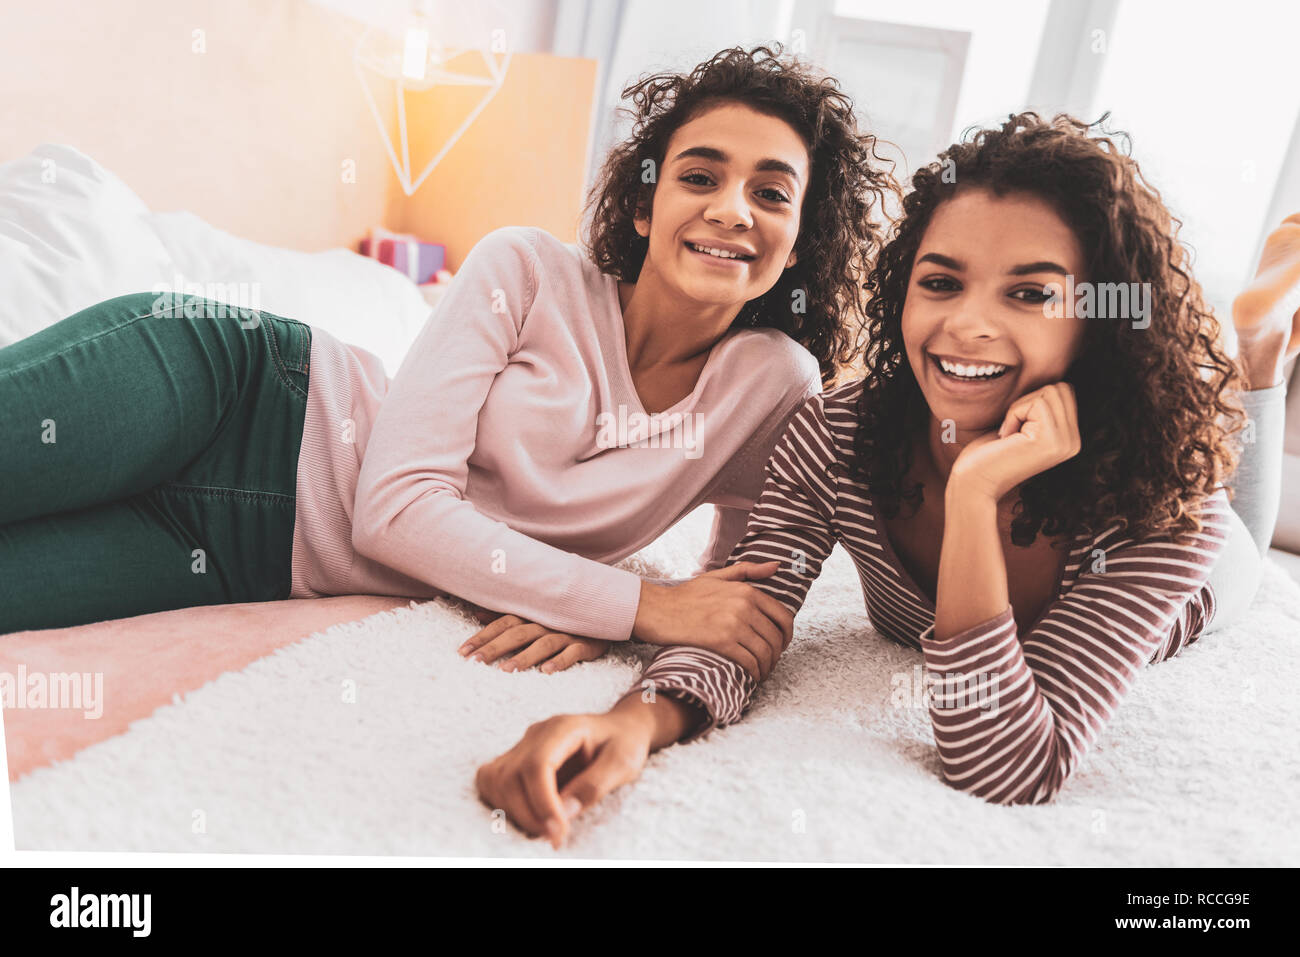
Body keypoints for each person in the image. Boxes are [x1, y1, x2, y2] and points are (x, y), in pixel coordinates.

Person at [475, 113, 1299, 846]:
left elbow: (1006, 765)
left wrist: (974, 497)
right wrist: (631, 722)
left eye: (1031, 293)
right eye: (941, 282)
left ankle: (1258, 353)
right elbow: (745, 615)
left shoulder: (1167, 514)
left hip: (1207, 573)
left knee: (1251, 545)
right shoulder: (840, 435)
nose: (967, 324)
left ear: (1097, 320)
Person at [0, 45, 893, 648]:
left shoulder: (774, 382)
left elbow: (741, 586)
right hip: (227, 392)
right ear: (642, 205)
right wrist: (636, 607)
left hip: (243, 552)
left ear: (800, 239)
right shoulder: (525, 269)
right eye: (700, 176)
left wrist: (637, 621)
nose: (733, 208)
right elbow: (393, 509)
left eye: (772, 194)